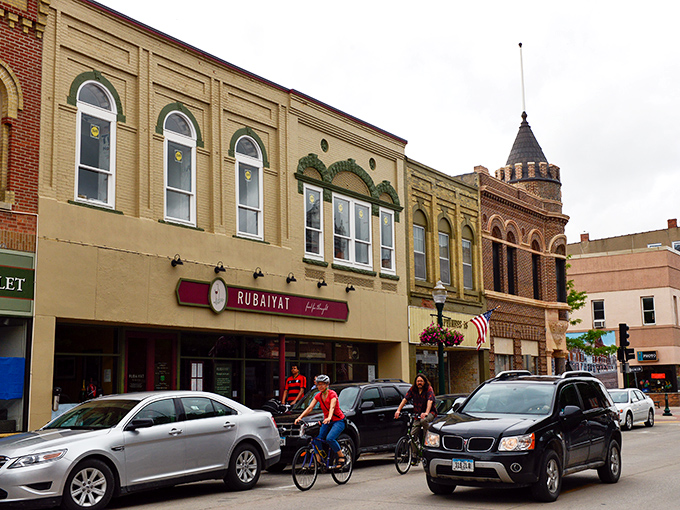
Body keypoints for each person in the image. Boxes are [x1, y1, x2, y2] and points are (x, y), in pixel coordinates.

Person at [294, 374, 346, 468]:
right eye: (318, 384)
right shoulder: (318, 396)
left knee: (330, 438)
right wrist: (300, 417)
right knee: (317, 438)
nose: (320, 386)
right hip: (327, 421)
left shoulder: (332, 394)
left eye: (323, 384)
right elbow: (310, 408)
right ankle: (319, 461)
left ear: (327, 385)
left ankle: (341, 456)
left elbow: (332, 407)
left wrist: (329, 417)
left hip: (338, 421)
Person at [394, 374, 437, 455]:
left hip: (430, 412)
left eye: (421, 381)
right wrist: (398, 410)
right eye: (418, 381)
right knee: (412, 435)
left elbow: (430, 401)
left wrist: (426, 412)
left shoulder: (428, 389)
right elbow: (405, 399)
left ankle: (426, 437)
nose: (419, 383)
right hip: (417, 414)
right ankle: (415, 455)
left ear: (424, 382)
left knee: (423, 420)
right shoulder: (413, 389)